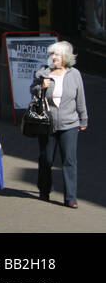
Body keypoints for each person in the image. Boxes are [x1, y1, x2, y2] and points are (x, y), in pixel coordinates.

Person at [31, 41, 88, 208]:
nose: (53, 58)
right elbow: (32, 91)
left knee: (69, 161)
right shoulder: (43, 73)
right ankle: (44, 190)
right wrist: (41, 86)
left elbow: (80, 97)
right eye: (52, 54)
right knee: (46, 159)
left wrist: (83, 119)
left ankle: (70, 198)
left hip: (69, 123)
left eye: (57, 55)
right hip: (47, 123)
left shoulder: (74, 74)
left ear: (66, 57)